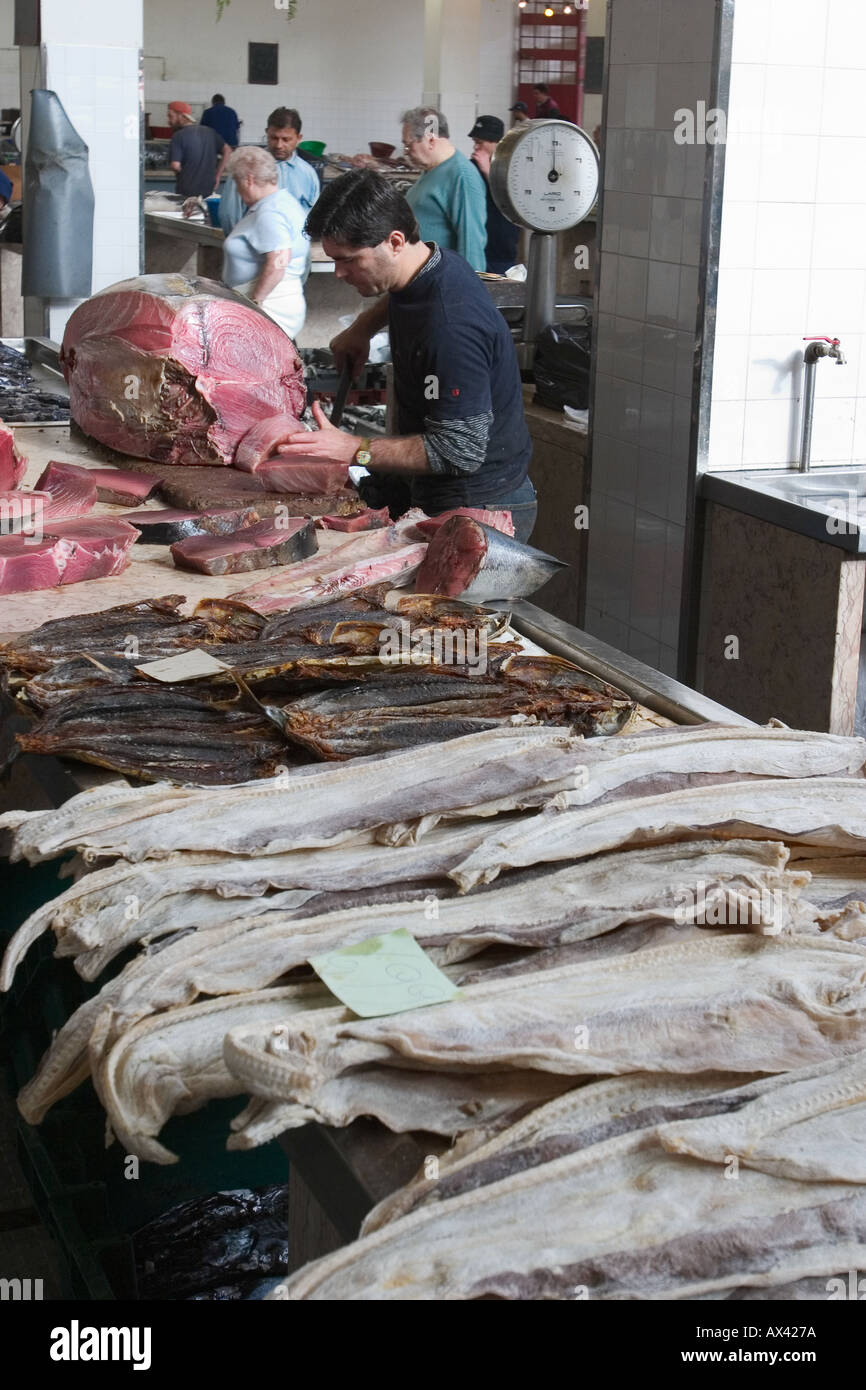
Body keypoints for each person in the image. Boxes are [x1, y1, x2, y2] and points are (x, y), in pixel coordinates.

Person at [274, 171, 538, 541]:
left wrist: (353, 449)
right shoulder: (429, 263)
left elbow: (460, 451)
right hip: (436, 490)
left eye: (349, 260)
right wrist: (364, 326)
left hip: (480, 508)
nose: (338, 273)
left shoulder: (450, 326)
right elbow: (405, 292)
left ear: (395, 241)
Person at [221, 146, 308, 339]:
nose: (236, 189)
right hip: (274, 303)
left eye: (236, 181)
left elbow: (279, 262)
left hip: (270, 306)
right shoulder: (282, 202)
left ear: (249, 180)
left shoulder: (270, 213)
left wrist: (255, 304)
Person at [400, 106, 486, 272]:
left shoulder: (462, 176)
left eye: (408, 145)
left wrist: (466, 293)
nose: (406, 152)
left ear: (431, 140)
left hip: (441, 284)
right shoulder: (431, 170)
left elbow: (471, 246)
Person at [219, 106, 319, 244]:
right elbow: (229, 215)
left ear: (298, 138)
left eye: (286, 139)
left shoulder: (308, 174)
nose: (279, 145)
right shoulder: (246, 166)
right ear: (267, 133)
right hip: (253, 253)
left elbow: (313, 221)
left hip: (295, 255)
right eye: (274, 138)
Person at [468, 116, 519, 275]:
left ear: (496, 142)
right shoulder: (471, 166)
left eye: (480, 143)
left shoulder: (512, 165)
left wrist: (487, 170)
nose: (476, 147)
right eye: (475, 142)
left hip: (501, 246)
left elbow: (511, 199)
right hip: (480, 243)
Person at [168, 100, 230, 197]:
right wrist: (218, 176)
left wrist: (185, 176)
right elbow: (227, 150)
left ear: (181, 116)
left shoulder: (178, 136)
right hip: (209, 190)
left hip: (186, 192)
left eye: (171, 116)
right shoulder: (210, 132)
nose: (169, 121)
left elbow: (175, 165)